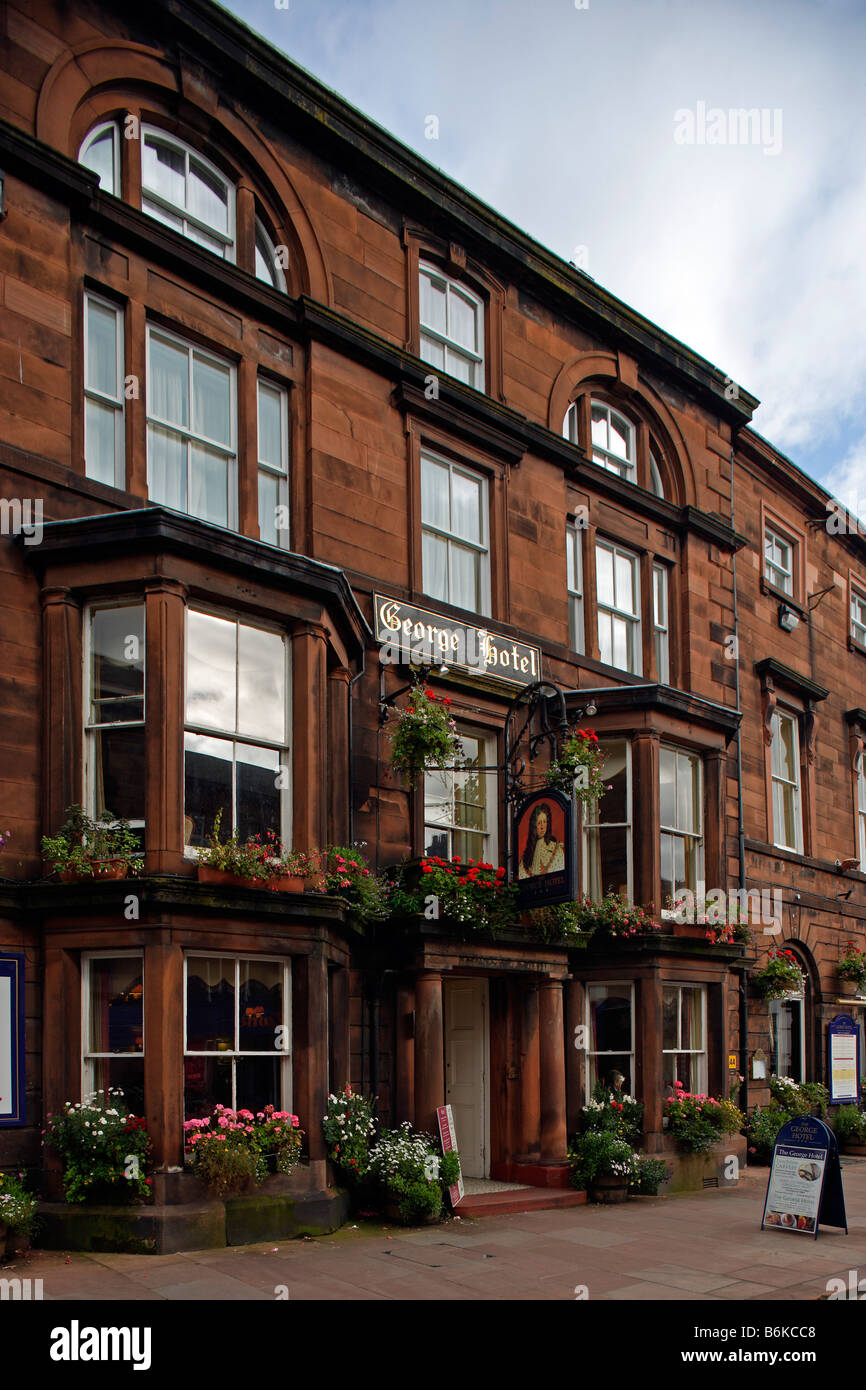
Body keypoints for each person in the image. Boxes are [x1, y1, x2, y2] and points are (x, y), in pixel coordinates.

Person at [518, 802, 565, 878]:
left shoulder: (556, 849)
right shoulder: (526, 856)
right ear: (534, 826)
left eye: (544, 822)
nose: (542, 827)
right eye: (539, 823)